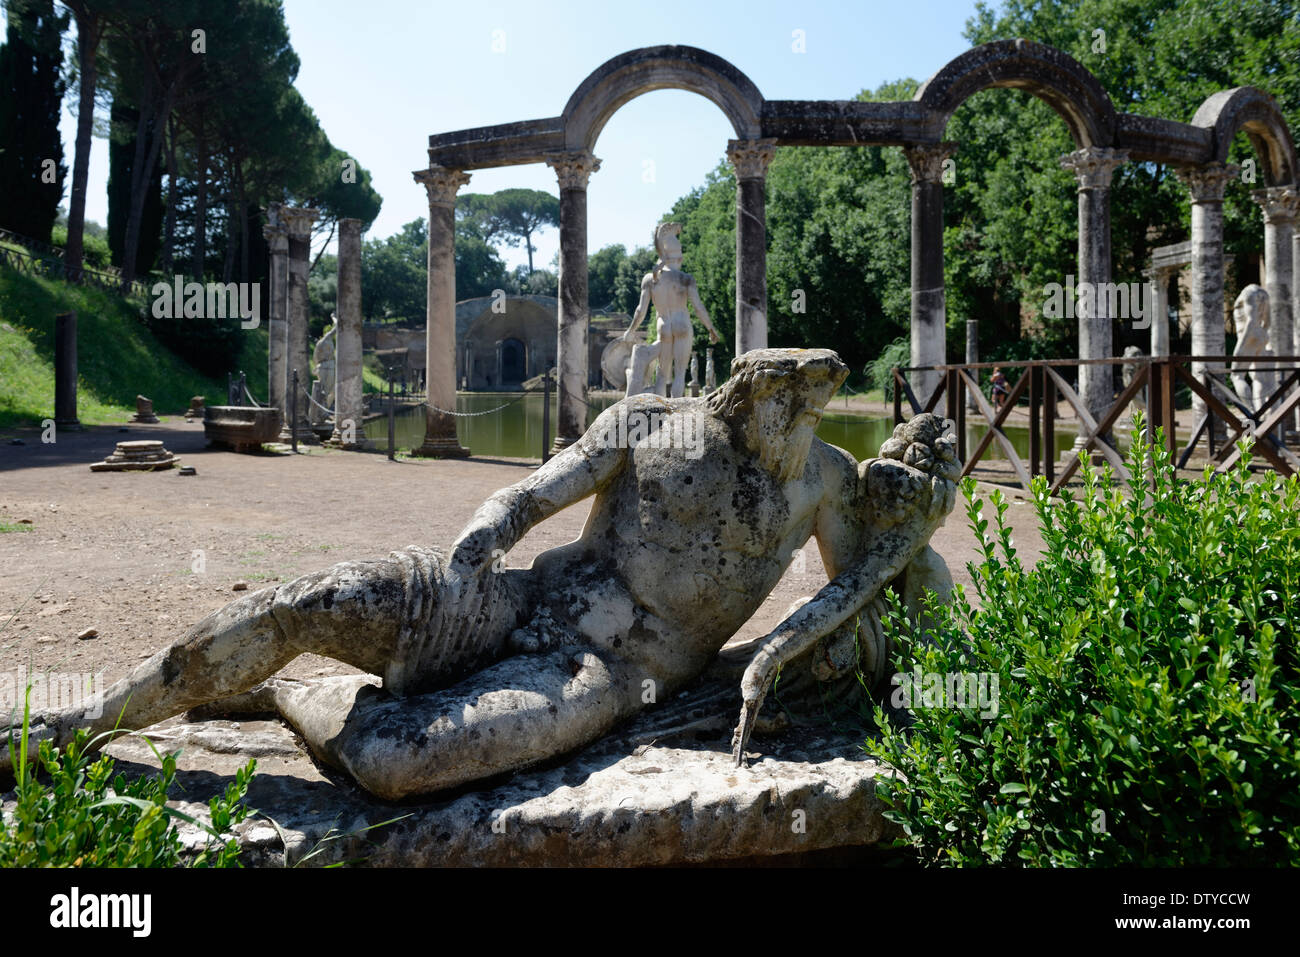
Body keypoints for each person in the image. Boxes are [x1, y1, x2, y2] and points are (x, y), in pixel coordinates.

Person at [3, 350, 957, 800]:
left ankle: (305, 702)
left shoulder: (824, 481)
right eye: (791, 402)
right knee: (309, 599)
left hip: (605, 675)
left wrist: (907, 582)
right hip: (521, 595)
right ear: (751, 392)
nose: (801, 426)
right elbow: (538, 492)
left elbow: (868, 586)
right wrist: (485, 525)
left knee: (395, 760)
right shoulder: (649, 422)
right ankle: (77, 725)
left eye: (818, 406)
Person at [621, 222, 720, 398]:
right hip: (682, 323)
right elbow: (698, 308)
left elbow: (640, 311)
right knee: (680, 373)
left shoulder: (650, 279)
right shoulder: (685, 279)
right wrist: (710, 328)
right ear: (679, 258)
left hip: (664, 325)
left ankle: (659, 413)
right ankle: (677, 412)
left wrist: (631, 330)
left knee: (662, 374)